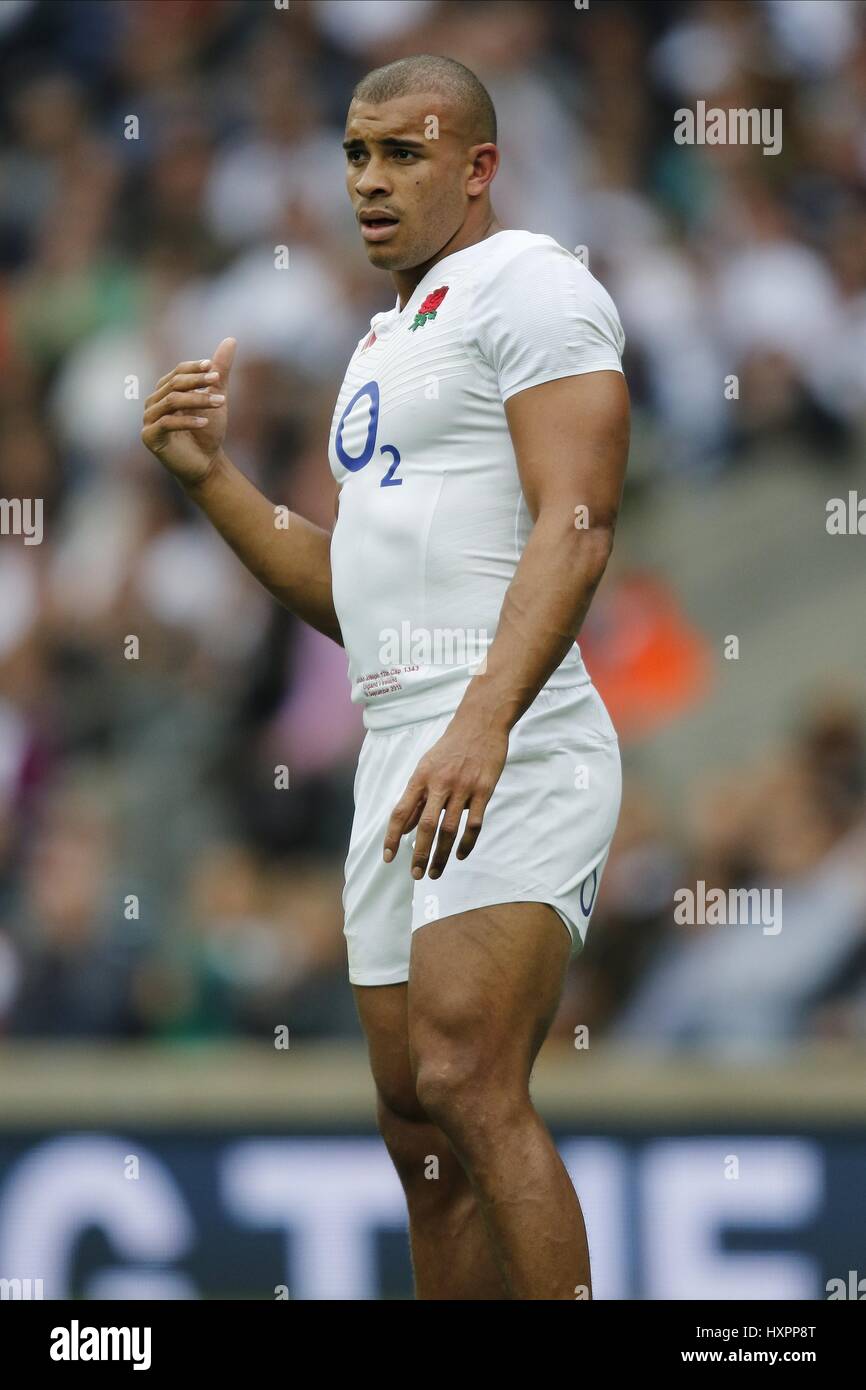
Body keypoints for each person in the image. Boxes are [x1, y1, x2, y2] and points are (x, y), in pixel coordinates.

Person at [142, 54, 629, 1301]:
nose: (368, 180)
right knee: (418, 1130)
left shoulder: (531, 281)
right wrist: (209, 478)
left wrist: (480, 721)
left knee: (469, 1077)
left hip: (506, 725)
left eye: (402, 154)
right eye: (355, 155)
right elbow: (349, 595)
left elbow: (576, 520)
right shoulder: (379, 344)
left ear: (477, 169)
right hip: (398, 736)